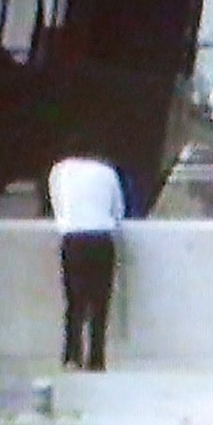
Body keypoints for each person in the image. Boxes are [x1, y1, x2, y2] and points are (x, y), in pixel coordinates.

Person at [48, 133, 125, 371]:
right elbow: (118, 210)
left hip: (73, 238)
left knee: (74, 301)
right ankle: (97, 358)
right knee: (100, 301)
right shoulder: (107, 172)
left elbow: (58, 206)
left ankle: (72, 355)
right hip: (101, 237)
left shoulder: (60, 171)